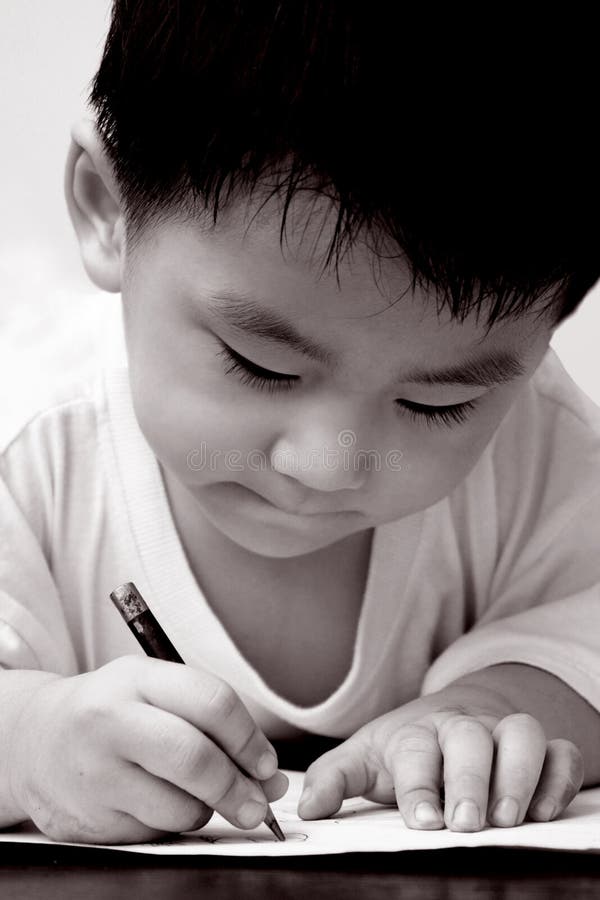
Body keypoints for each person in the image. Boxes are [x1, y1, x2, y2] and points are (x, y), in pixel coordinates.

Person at [1, 1, 599, 845]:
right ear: (109, 207)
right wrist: (27, 741)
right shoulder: (31, 450)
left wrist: (505, 702)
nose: (330, 463)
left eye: (438, 405)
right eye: (262, 365)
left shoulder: (546, 451)